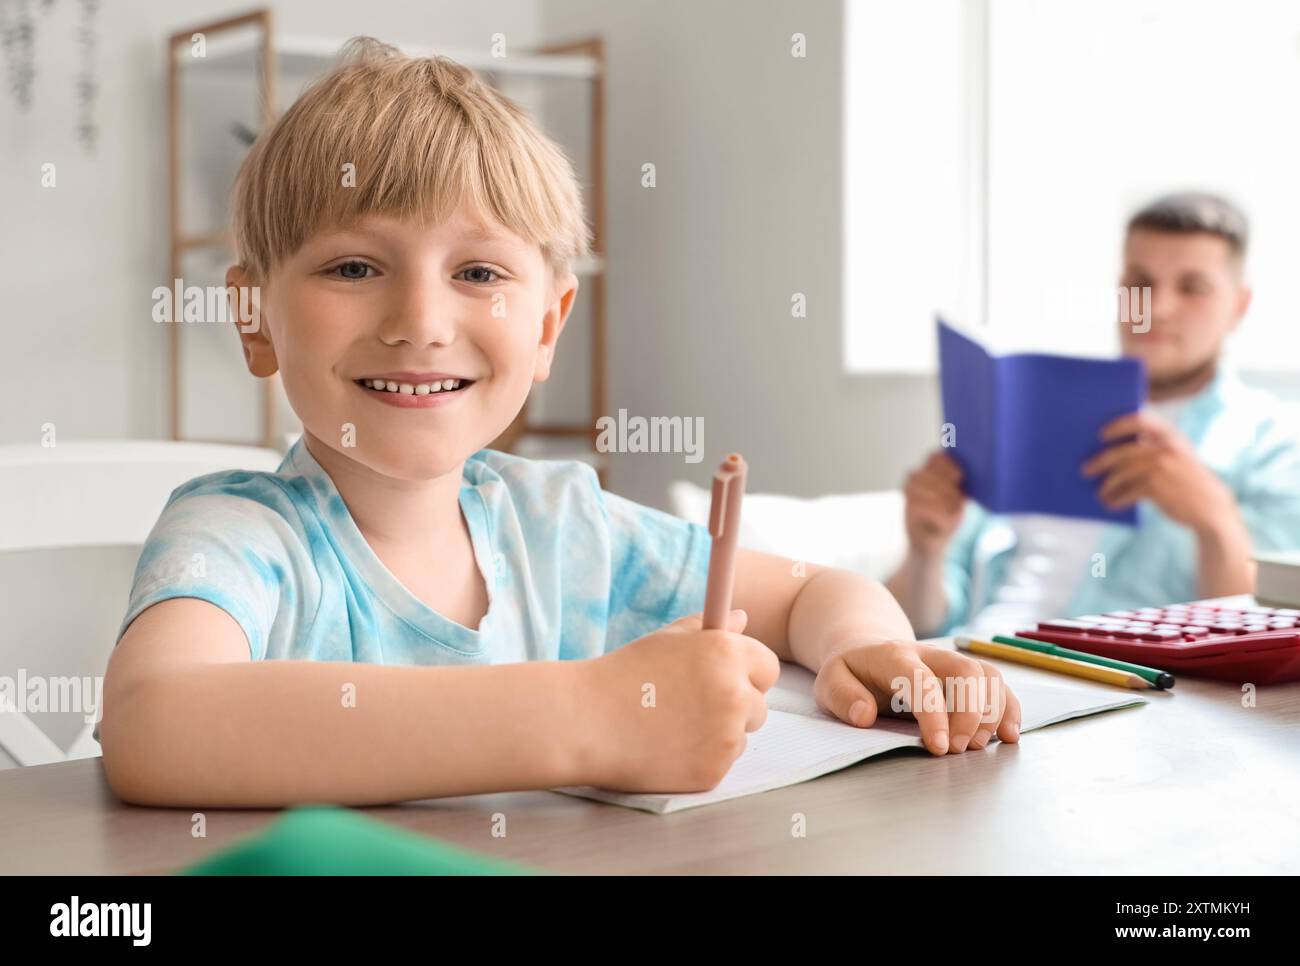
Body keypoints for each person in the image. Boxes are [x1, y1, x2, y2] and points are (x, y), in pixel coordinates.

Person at [100, 39, 1019, 808]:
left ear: (547, 327)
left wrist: (873, 651)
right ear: (255, 319)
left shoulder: (563, 529)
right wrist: (588, 716)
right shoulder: (241, 534)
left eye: (479, 273)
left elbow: (815, 589)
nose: (419, 321)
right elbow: (153, 724)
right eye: (351, 268)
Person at [888, 192, 1300, 640]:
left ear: (1238, 306)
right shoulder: (1033, 412)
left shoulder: (1273, 442)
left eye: (1191, 288)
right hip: (971, 660)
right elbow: (919, 621)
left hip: (1110, 677)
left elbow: (1264, 634)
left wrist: (1213, 518)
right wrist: (926, 549)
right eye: (1140, 281)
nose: (1155, 309)